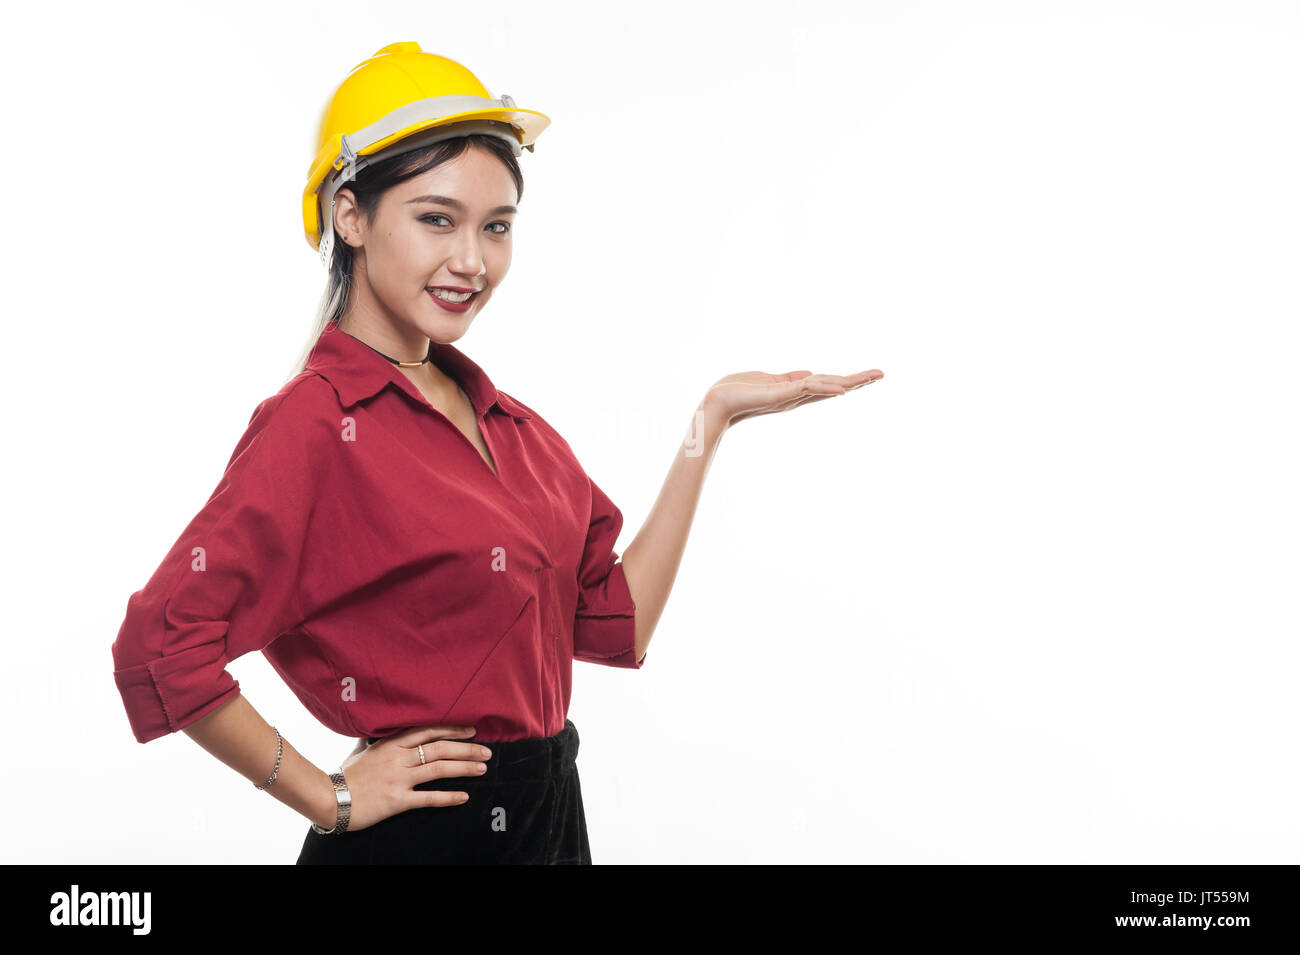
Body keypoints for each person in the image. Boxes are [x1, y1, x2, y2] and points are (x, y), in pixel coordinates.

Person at [110, 42, 883, 865]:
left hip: (549, 815)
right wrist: (327, 795)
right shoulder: (315, 425)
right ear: (350, 214)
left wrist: (713, 420)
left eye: (497, 226)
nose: (473, 261)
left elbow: (617, 622)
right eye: (436, 219)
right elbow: (160, 644)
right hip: (425, 836)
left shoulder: (515, 430)